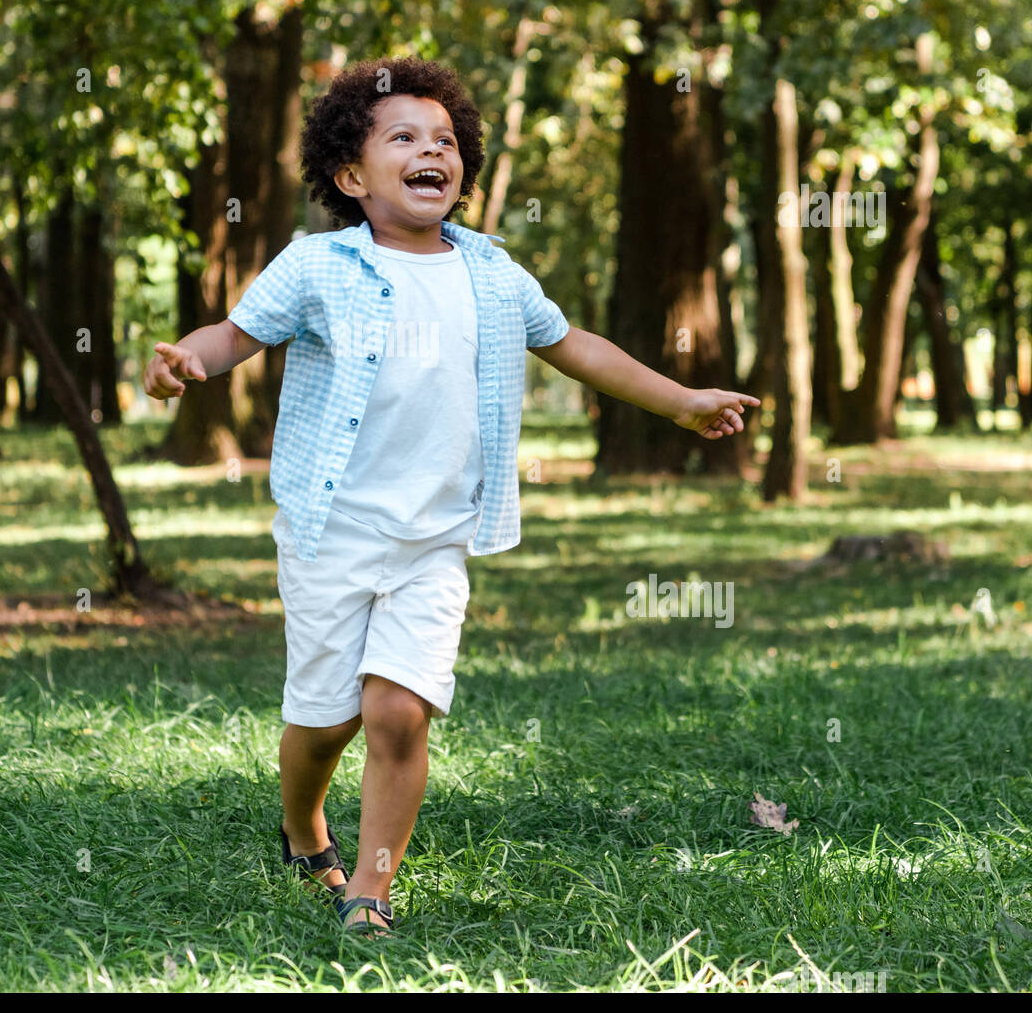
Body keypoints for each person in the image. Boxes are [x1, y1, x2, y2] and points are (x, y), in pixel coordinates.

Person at [144, 56, 759, 934]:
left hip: (435, 540)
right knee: (324, 721)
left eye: (444, 140)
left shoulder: (495, 274)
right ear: (352, 176)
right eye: (403, 137)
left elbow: (576, 346)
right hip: (330, 535)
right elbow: (235, 334)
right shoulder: (316, 266)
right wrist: (187, 364)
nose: (431, 149)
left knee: (396, 712)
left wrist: (682, 401)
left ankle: (370, 888)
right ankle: (301, 821)